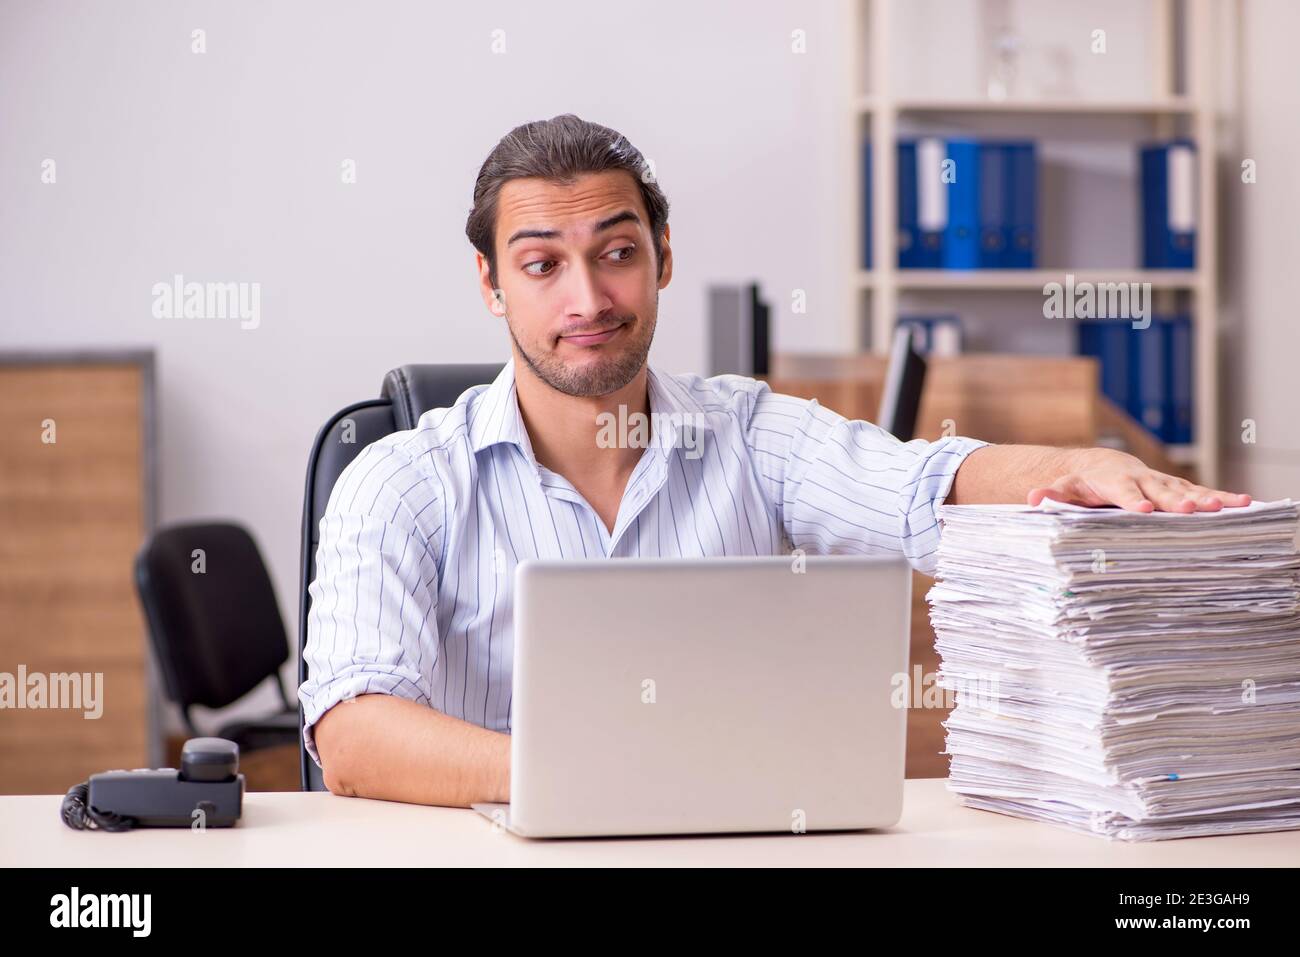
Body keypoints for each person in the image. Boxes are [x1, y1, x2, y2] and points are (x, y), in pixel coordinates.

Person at [300, 114, 1250, 808]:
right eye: (544, 264)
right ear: (492, 284)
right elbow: (352, 732)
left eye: (617, 251)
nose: (588, 296)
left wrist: (1074, 462)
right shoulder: (399, 482)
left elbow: (927, 489)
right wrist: (596, 773)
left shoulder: (753, 435)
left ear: (662, 257)